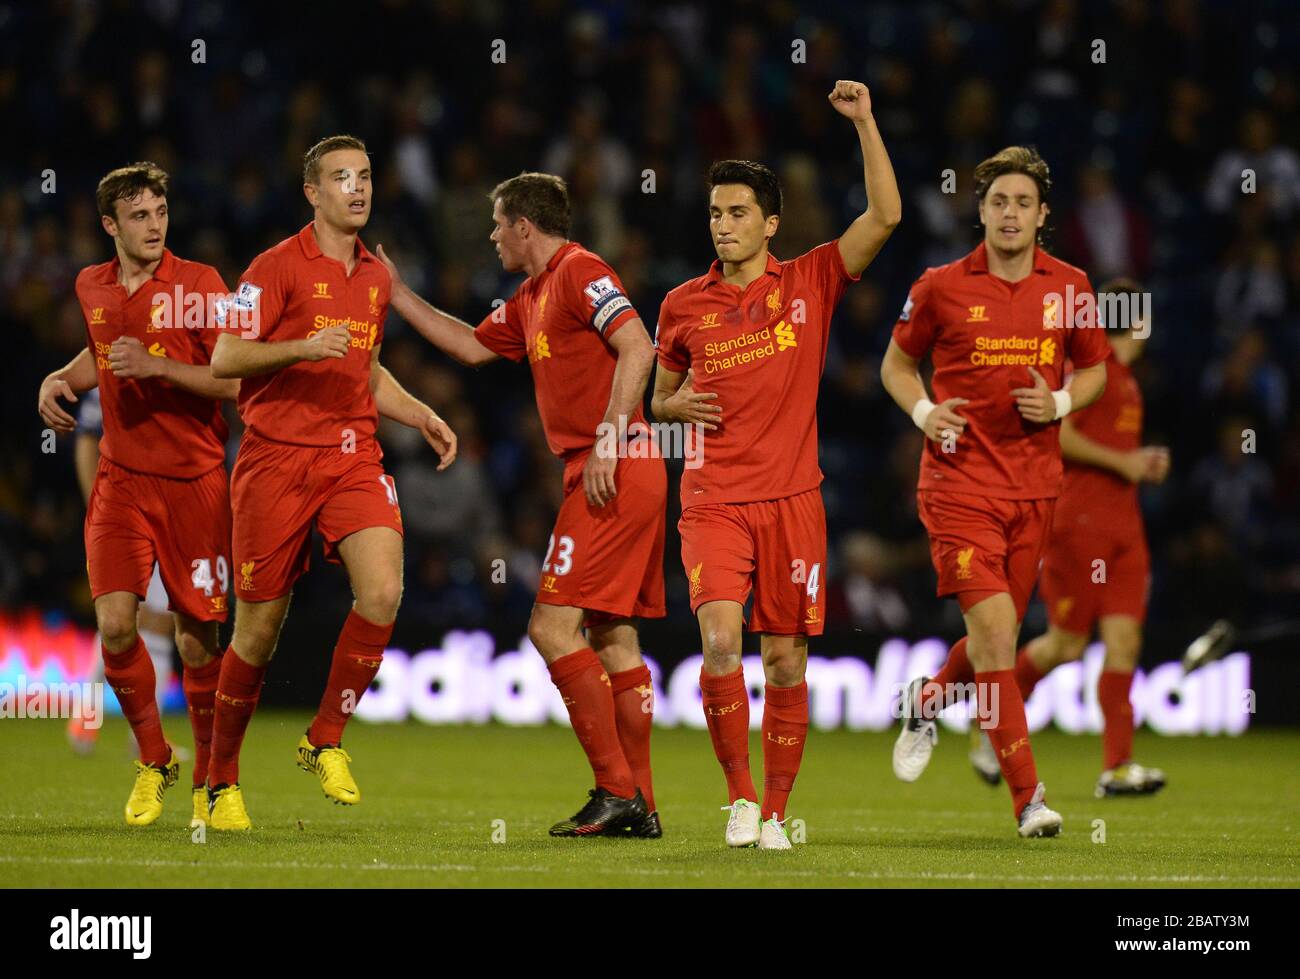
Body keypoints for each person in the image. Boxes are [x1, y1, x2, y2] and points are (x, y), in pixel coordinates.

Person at [379, 171, 666, 837]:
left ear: (524, 227)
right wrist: (397, 294)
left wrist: (607, 438)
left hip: (614, 465)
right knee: (614, 638)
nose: (490, 235)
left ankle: (615, 790)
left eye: (497, 222)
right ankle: (641, 804)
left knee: (549, 627)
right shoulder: (532, 294)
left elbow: (638, 345)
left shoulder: (578, 270)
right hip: (617, 467)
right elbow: (471, 344)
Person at [651, 81, 900, 849]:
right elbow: (659, 399)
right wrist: (669, 409)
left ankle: (782, 812)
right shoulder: (681, 305)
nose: (723, 225)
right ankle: (740, 797)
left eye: (737, 213)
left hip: (793, 500)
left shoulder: (811, 281)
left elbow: (885, 216)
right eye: (716, 212)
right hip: (714, 498)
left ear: (770, 223)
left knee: (786, 660)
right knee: (722, 642)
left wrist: (864, 122)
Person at [204, 135, 457, 831]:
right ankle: (220, 780)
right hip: (275, 460)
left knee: (381, 589)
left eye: (366, 176)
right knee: (258, 630)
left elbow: (365, 370)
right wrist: (298, 347)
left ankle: (323, 737)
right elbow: (225, 355)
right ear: (312, 193)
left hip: (351, 456)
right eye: (340, 178)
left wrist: (422, 413)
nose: (357, 187)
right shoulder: (274, 267)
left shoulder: (377, 276)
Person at [883, 145, 1110, 838]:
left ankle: (925, 699)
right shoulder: (939, 285)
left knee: (998, 643)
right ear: (979, 210)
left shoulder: (1070, 285)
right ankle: (1029, 799)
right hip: (957, 486)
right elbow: (896, 364)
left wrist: (1063, 402)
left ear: (1043, 216)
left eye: (1023, 203)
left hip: (1035, 489)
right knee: (993, 638)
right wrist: (927, 414)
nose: (1009, 213)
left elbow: (1096, 370)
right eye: (998, 202)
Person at [37, 162, 238, 826]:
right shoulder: (89, 284)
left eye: (160, 212)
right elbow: (100, 355)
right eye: (140, 216)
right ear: (109, 226)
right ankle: (154, 758)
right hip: (121, 482)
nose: (155, 226)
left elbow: (235, 381)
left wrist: (157, 366)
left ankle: (214, 778)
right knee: (117, 624)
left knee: (195, 641)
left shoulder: (201, 285)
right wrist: (58, 380)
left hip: (194, 481)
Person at [969, 278, 1171, 798]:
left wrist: (1138, 461)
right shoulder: (1089, 373)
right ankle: (989, 725)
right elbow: (1063, 433)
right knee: (1067, 645)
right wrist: (1126, 461)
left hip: (1125, 525)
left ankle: (1117, 766)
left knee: (1125, 642)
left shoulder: (1126, 377)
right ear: (1141, 320)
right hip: (1077, 524)